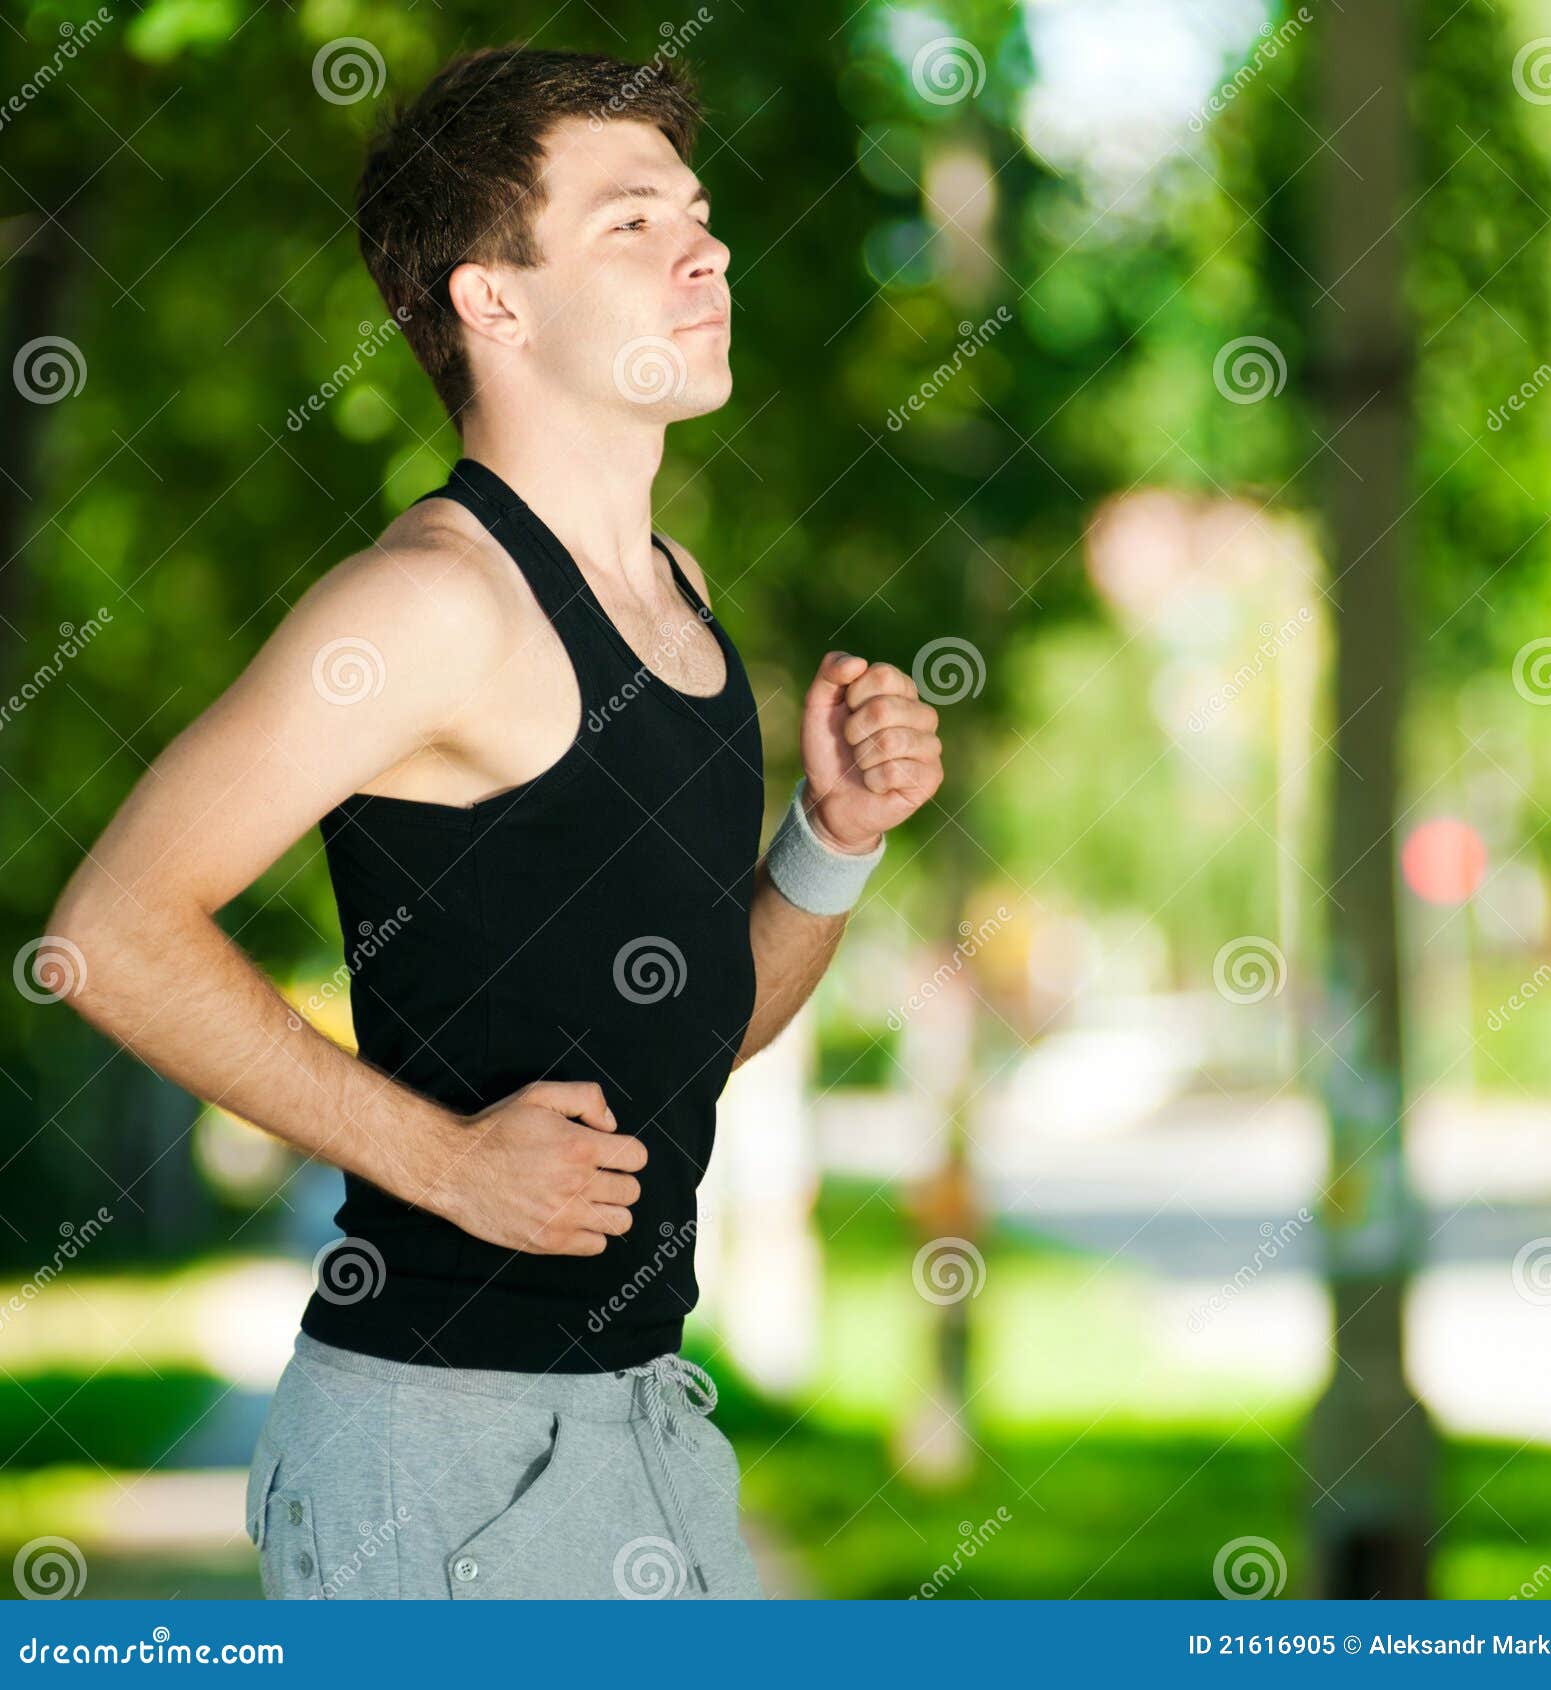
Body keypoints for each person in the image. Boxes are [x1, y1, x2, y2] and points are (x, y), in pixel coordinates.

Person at [45, 44, 943, 1600]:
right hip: (437, 1456)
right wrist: (450, 1164)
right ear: (495, 300)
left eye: (700, 212)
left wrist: (833, 838)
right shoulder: (429, 607)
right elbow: (105, 939)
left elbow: (683, 1040)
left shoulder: (680, 607)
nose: (705, 247)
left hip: (647, 1426)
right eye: (630, 222)